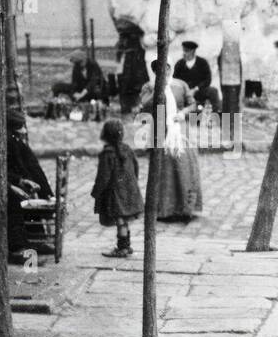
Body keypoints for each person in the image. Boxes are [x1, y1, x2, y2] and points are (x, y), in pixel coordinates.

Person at [139, 60, 203, 221]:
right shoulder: (149, 86)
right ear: (155, 71)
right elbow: (145, 105)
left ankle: (185, 208)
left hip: (180, 132)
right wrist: (158, 88)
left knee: (183, 167)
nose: (164, 71)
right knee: (164, 169)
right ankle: (165, 209)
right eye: (159, 69)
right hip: (160, 133)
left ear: (170, 68)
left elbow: (192, 104)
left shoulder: (180, 85)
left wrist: (184, 113)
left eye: (166, 68)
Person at [91, 118, 144, 258]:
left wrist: (96, 192)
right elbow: (136, 168)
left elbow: (103, 177)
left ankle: (122, 248)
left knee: (120, 220)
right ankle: (126, 245)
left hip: (115, 194)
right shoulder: (127, 149)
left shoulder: (107, 154)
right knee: (124, 220)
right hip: (129, 191)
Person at [6, 108, 54, 261]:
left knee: (26, 194)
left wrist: (22, 181)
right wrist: (12, 185)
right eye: (19, 128)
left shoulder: (15, 142)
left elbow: (26, 167)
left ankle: (35, 239)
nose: (23, 131)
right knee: (14, 199)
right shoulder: (7, 142)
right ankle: (17, 248)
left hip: (9, 181)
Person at [174, 40, 220, 111]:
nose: (184, 53)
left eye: (187, 51)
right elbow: (176, 80)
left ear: (193, 51)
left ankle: (216, 114)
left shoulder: (202, 62)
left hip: (199, 90)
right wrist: (186, 91)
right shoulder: (179, 64)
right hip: (185, 92)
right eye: (183, 51)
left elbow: (208, 79)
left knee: (213, 91)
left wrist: (196, 89)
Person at [115, 24, 149, 113]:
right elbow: (119, 64)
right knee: (125, 95)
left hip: (133, 77)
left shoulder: (135, 50)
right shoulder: (123, 49)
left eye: (123, 39)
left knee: (136, 95)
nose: (122, 41)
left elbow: (138, 67)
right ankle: (127, 110)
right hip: (125, 77)